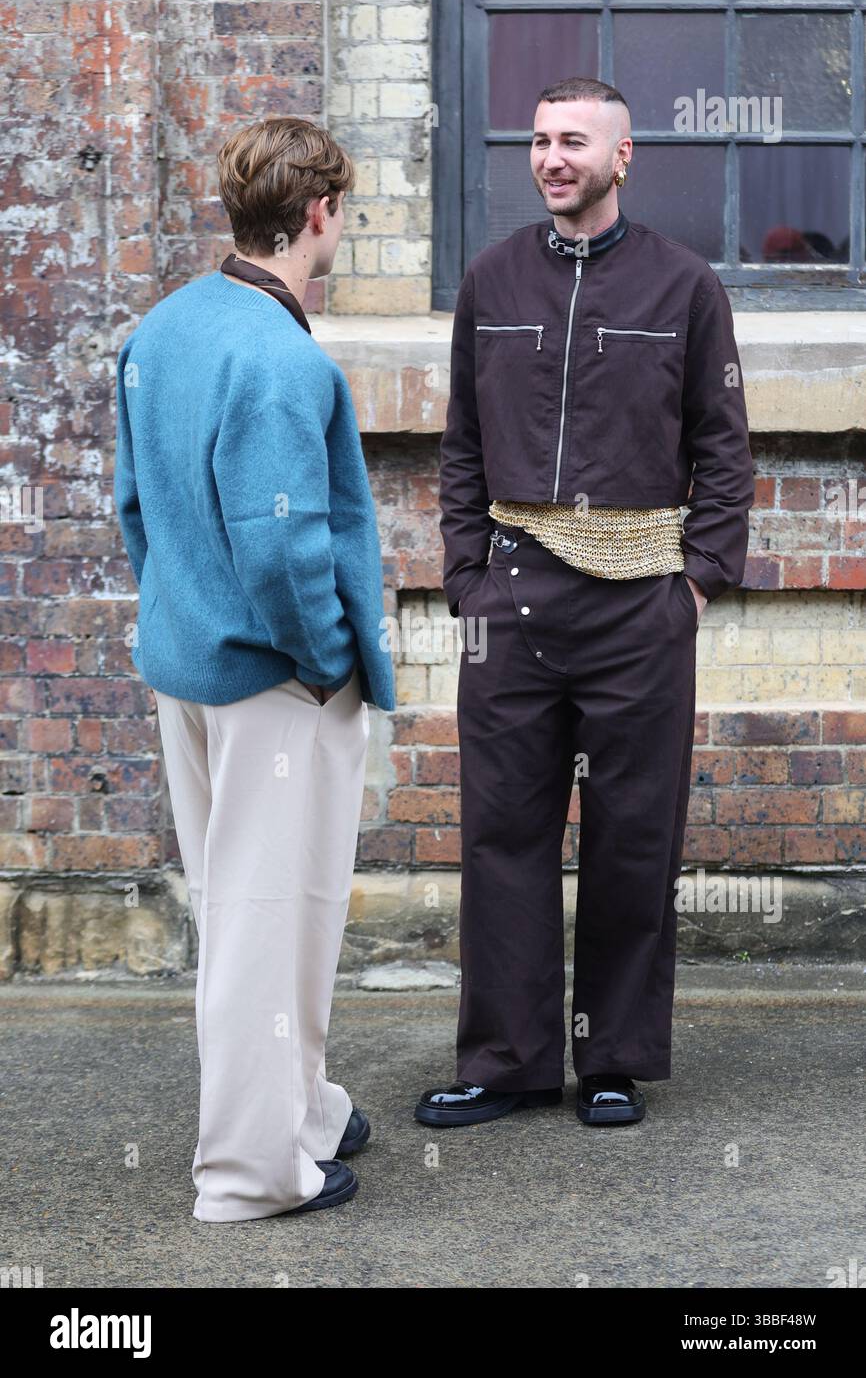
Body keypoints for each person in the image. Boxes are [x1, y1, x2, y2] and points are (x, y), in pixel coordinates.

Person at [416, 77, 754, 1130]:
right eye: (538, 141)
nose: (550, 157)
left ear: (621, 158)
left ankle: (609, 1057)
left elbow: (724, 449)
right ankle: (508, 1060)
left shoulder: (683, 286)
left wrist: (692, 585)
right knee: (501, 835)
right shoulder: (490, 277)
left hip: (639, 609)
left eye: (573, 141)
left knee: (630, 835)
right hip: (509, 600)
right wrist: (464, 572)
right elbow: (462, 443)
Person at [113, 116, 395, 1221]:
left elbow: (138, 507)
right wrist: (327, 661)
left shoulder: (164, 327)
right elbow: (284, 550)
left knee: (256, 914)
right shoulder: (278, 356)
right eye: (344, 213)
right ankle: (246, 1176)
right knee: (265, 926)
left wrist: (184, 611)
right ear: (318, 212)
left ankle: (301, 1112)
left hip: (187, 665)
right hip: (275, 681)